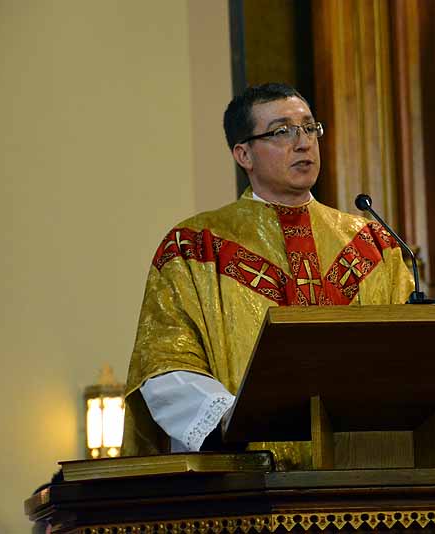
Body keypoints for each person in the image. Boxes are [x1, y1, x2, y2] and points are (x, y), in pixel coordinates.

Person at [123, 83, 413, 465]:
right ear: (243, 154)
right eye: (282, 132)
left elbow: (410, 353)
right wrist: (235, 420)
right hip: (251, 473)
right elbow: (165, 361)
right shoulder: (195, 248)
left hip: (367, 469)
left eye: (309, 128)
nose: (303, 143)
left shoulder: (374, 244)